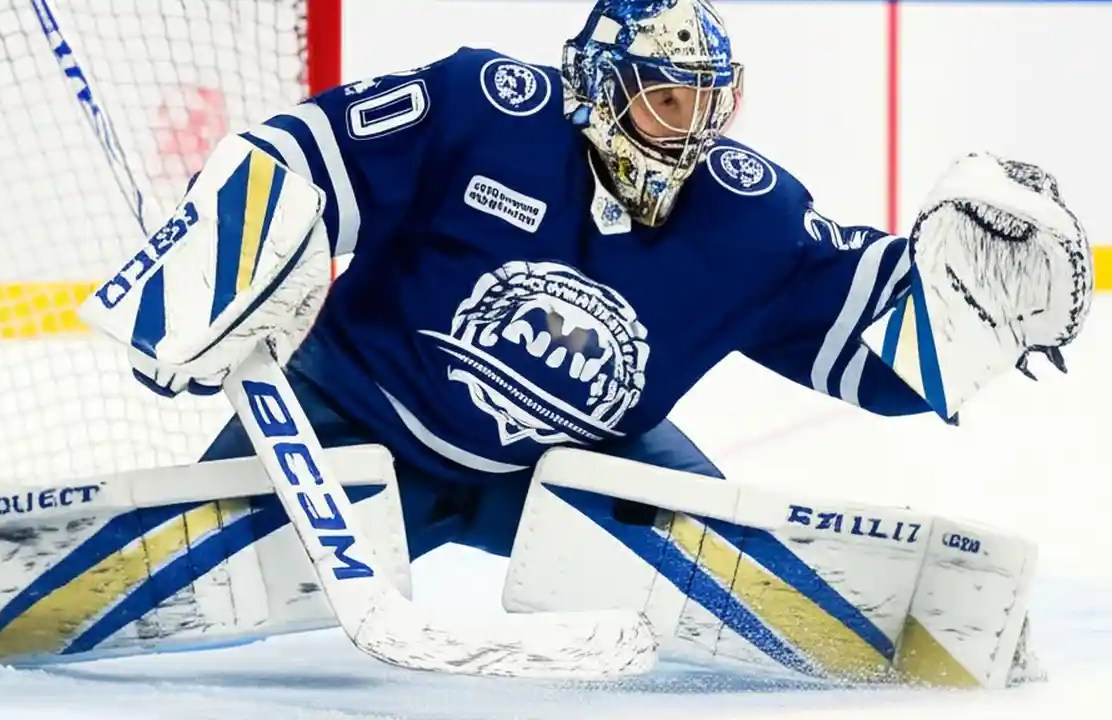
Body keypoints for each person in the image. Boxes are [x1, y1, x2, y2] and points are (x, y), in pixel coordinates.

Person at [130, 0, 1091, 561]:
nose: (693, 130)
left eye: (710, 103)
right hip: (346, 422)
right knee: (172, 563)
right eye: (668, 100)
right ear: (599, 86)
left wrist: (965, 309)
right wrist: (203, 280)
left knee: (724, 564)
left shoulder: (745, 217)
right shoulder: (482, 111)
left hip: (570, 466)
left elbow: (866, 345)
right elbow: (303, 154)